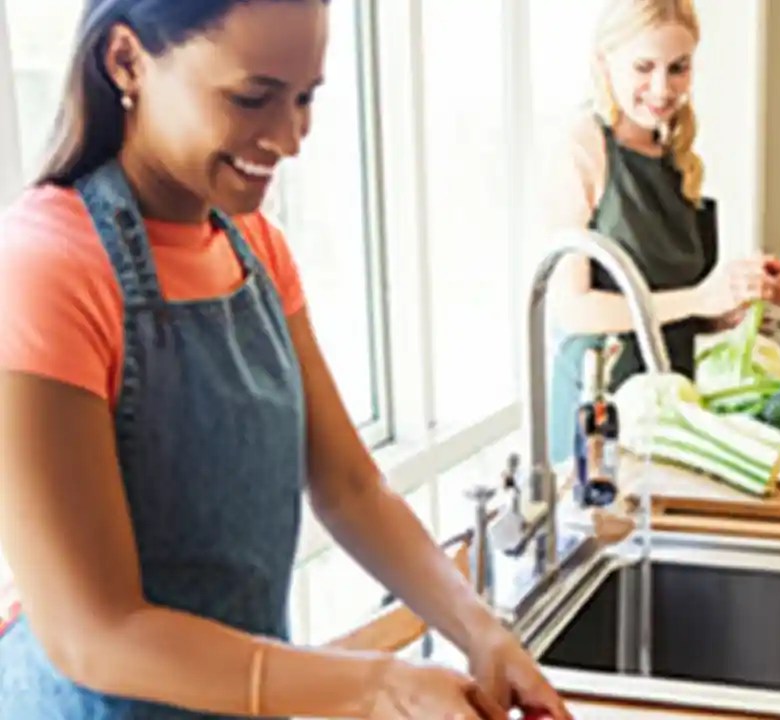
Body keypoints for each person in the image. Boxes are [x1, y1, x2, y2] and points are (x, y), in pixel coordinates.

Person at [0, 2, 570, 719]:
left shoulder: (254, 246)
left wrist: (482, 631)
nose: (291, 138)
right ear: (126, 62)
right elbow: (96, 633)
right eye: (252, 97)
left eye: (305, 97)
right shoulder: (44, 269)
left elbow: (350, 488)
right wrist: (375, 683)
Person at [539, 0, 780, 466]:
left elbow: (687, 313)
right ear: (604, 61)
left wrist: (740, 297)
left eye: (678, 68)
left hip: (668, 411)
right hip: (601, 411)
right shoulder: (584, 144)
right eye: (644, 67)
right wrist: (700, 299)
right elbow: (572, 308)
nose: (662, 89)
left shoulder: (677, 156)